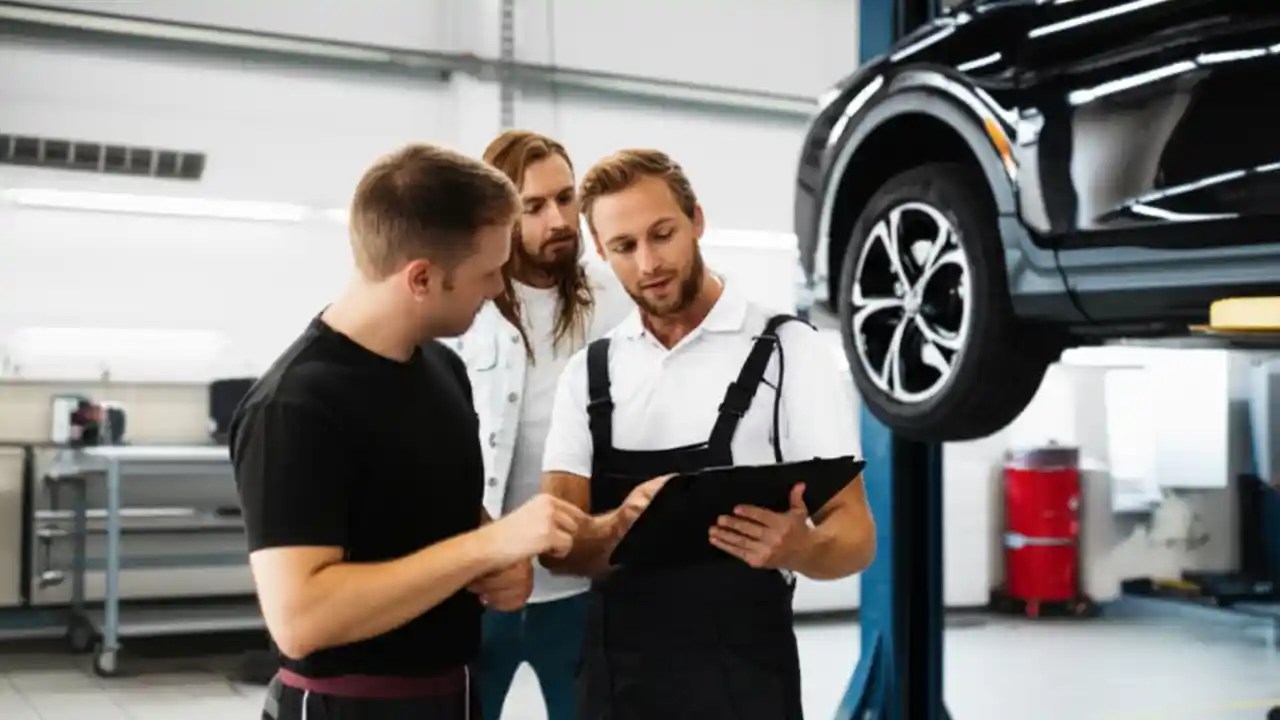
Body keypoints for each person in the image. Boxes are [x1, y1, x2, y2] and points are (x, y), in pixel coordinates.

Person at [228, 142, 587, 720]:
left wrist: (501, 558)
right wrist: (486, 546)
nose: (498, 288)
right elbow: (301, 618)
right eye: (488, 272)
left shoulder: (443, 370)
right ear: (421, 277)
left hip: (452, 694)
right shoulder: (294, 407)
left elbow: (441, 511)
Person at [538, 149, 878, 720]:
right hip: (618, 689)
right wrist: (617, 525)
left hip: (746, 688)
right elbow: (559, 549)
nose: (648, 262)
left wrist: (804, 548)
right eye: (624, 247)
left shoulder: (788, 351)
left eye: (663, 234)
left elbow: (856, 531)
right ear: (601, 251)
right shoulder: (589, 374)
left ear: (697, 220)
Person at [445, 130, 632, 720]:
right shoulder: (466, 309)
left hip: (579, 586)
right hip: (482, 583)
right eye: (534, 206)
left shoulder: (614, 300)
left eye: (566, 198)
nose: (559, 219)